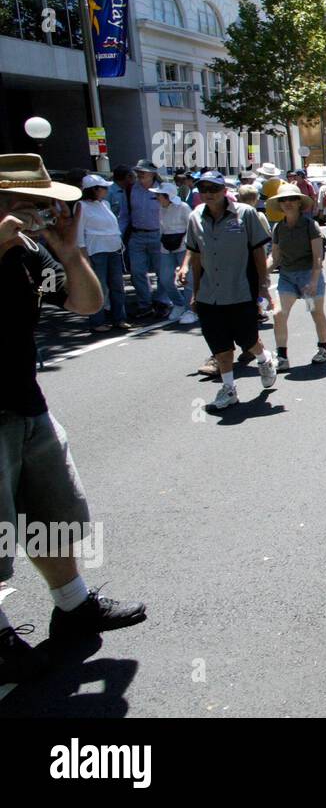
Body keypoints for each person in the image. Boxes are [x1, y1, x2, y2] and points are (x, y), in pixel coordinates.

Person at [0, 154, 147, 685]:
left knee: (54, 510)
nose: (40, 215)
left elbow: (86, 303)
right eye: (28, 206)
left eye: (44, 205)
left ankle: (73, 604)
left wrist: (68, 251)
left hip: (25, 402)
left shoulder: (32, 255)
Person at [177, 170, 278, 410]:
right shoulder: (195, 217)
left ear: (224, 191)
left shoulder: (246, 214)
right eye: (203, 190)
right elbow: (197, 255)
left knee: (248, 339)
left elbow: (257, 252)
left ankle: (264, 359)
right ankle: (229, 388)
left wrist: (263, 286)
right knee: (220, 346)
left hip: (240, 289)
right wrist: (195, 291)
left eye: (213, 189)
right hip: (209, 295)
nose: (208, 194)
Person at [267, 187, 326, 368]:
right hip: (287, 277)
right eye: (283, 200)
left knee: (315, 311)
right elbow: (275, 256)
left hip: (308, 276)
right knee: (279, 314)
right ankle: (282, 357)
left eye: (292, 199)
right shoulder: (279, 227)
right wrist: (262, 272)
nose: (287, 203)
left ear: (299, 203)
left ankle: (322, 348)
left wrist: (313, 281)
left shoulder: (310, 225)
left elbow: (318, 256)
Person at [76, 174, 130, 333]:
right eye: (103, 187)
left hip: (113, 249)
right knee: (99, 288)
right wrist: (83, 255)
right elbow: (79, 233)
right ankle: (96, 321)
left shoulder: (105, 204)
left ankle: (119, 318)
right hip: (96, 250)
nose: (107, 190)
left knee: (117, 286)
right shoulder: (81, 206)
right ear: (94, 190)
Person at [123, 160, 173, 321]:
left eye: (143, 172)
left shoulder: (163, 189)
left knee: (162, 271)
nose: (139, 175)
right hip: (137, 235)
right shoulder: (132, 188)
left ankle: (162, 302)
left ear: (152, 174)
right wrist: (119, 234)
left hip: (158, 234)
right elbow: (125, 214)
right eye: (138, 172)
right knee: (137, 272)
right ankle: (144, 304)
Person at [151, 180, 199, 324]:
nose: (157, 198)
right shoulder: (161, 209)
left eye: (159, 195)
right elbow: (162, 228)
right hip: (166, 248)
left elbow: (192, 227)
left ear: (168, 196)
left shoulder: (183, 207)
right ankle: (179, 304)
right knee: (165, 279)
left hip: (183, 248)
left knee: (188, 280)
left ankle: (191, 310)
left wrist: (188, 245)